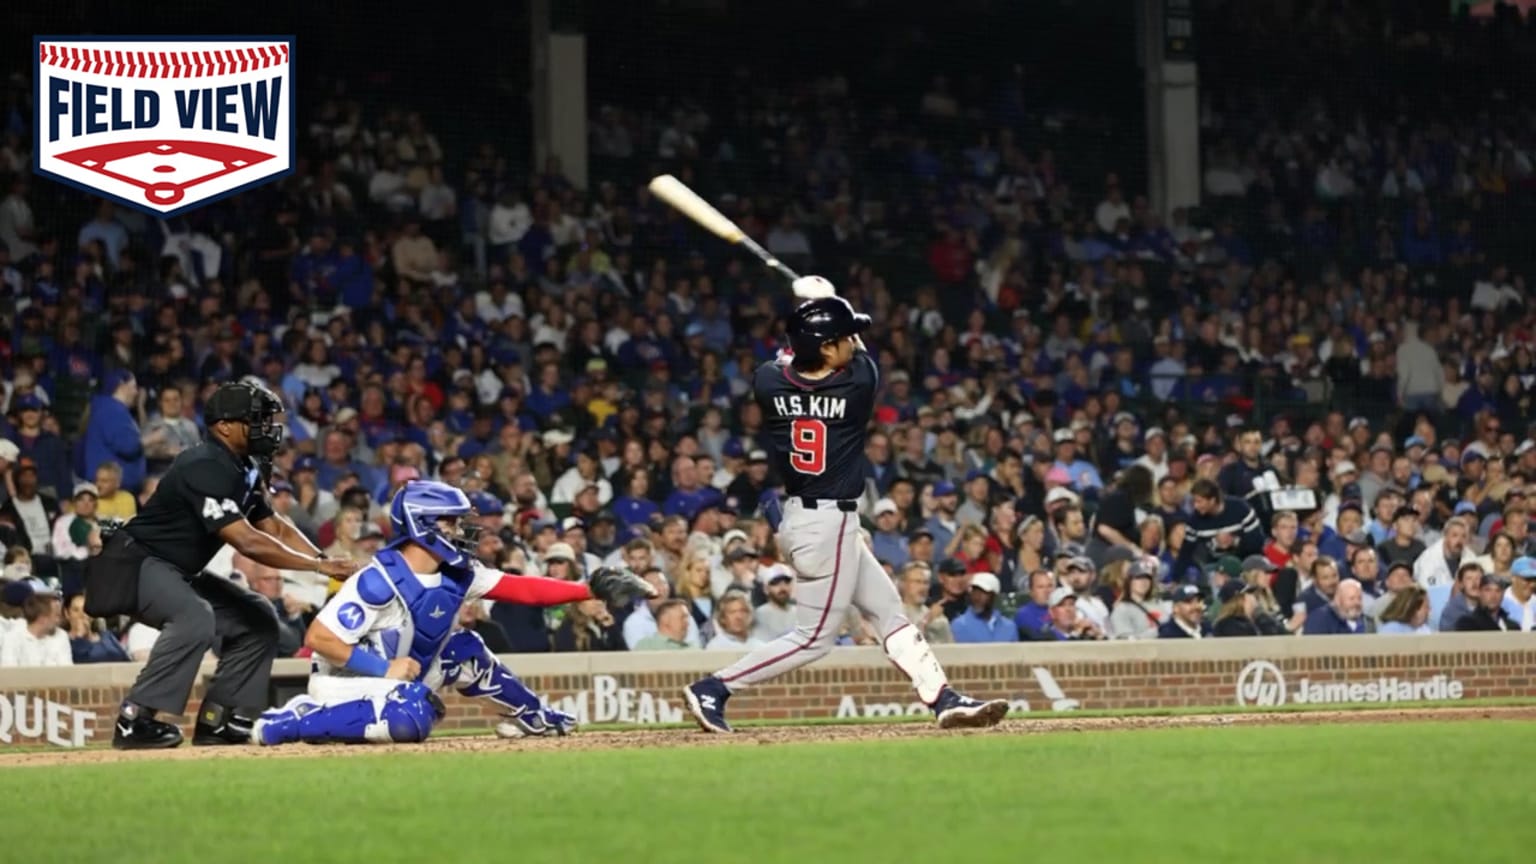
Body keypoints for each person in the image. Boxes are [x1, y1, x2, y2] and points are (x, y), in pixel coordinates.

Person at [683, 283, 1008, 734]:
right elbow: (853, 352)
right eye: (843, 336)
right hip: (827, 524)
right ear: (826, 346)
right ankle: (715, 687)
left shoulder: (768, 381)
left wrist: (813, 311)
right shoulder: (859, 382)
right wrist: (827, 297)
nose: (853, 341)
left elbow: (791, 357)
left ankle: (943, 698)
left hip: (803, 517)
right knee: (814, 638)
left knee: (888, 611)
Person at [252, 481, 653, 745]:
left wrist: (587, 589)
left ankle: (535, 716)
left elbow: (523, 589)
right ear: (423, 525)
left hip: (405, 674)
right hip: (346, 683)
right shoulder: (378, 580)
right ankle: (295, 719)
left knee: (464, 647)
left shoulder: (458, 573)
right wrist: (383, 669)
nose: (460, 531)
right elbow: (319, 638)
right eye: (451, 523)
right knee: (411, 717)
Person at [86, 381, 359, 750]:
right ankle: (136, 720)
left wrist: (325, 559)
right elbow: (247, 540)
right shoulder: (204, 464)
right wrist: (318, 568)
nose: (267, 427)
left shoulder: (242, 466)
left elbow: (273, 526)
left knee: (258, 618)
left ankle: (218, 720)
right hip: (136, 562)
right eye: (256, 419)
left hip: (174, 568)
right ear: (225, 426)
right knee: (194, 617)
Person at [949, 571, 1018, 643]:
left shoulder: (1009, 627)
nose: (977, 597)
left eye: (983, 592)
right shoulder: (959, 625)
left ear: (994, 596)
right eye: (974, 591)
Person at [1106, 557, 1163, 639]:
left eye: (1147, 578)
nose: (1143, 581)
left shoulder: (1160, 604)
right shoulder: (1122, 609)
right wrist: (1158, 631)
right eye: (1138, 578)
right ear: (1129, 581)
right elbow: (1126, 641)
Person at [1454, 573, 1519, 632]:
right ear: (1479, 592)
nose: (1493, 596)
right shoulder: (1467, 623)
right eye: (1488, 590)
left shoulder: (1513, 627)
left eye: (1498, 590)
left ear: (1503, 594)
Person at [1302, 578, 1367, 635]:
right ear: (1337, 600)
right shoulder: (1320, 618)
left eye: (1359, 598)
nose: (1356, 603)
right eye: (1351, 598)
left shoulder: (1367, 621)